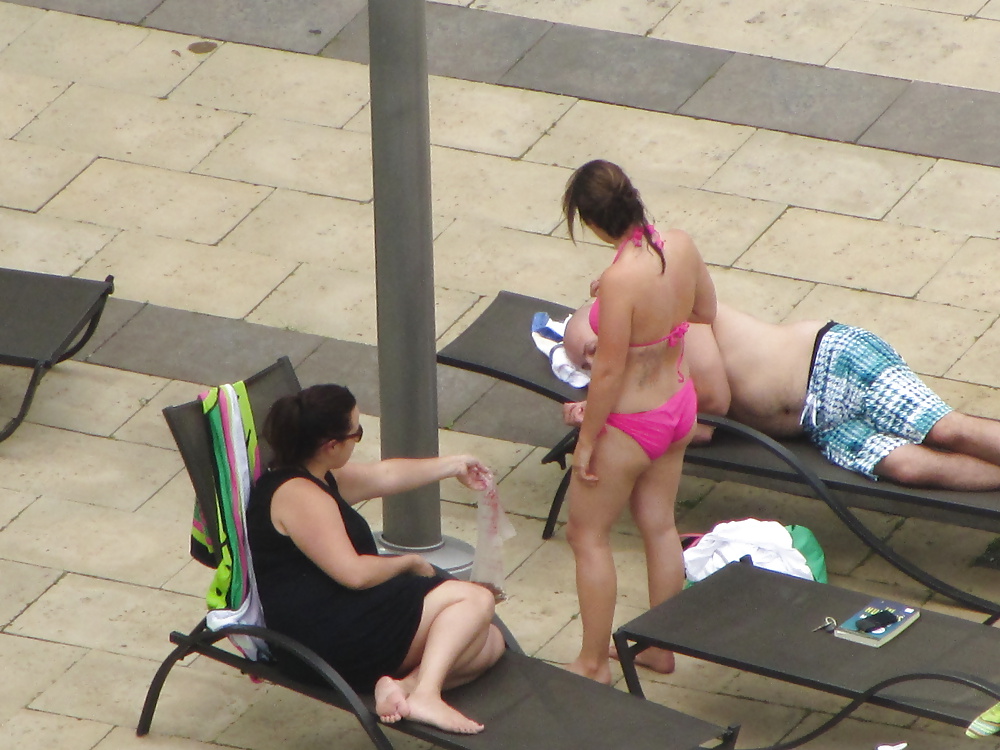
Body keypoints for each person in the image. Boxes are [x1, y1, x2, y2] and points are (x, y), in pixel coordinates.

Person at [246, 384, 505, 734]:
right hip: (324, 637)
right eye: (357, 433)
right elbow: (353, 573)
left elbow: (386, 475)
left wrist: (455, 465)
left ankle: (404, 688)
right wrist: (407, 562)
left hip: (345, 609)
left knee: (489, 642)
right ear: (331, 445)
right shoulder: (298, 496)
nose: (358, 440)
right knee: (475, 599)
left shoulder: (316, 474)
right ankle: (427, 695)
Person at [564, 301, 1000, 491]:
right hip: (817, 424)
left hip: (832, 361)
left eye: (593, 348)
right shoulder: (647, 382)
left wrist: (615, 416)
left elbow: (712, 408)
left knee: (945, 430)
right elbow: (692, 435)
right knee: (905, 466)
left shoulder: (677, 318)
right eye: (585, 367)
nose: (595, 367)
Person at [559, 159, 717, 683]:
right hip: (677, 403)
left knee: (588, 535)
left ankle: (590, 663)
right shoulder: (680, 245)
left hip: (630, 421)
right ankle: (660, 648)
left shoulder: (619, 278)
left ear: (592, 222)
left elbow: (604, 377)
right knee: (660, 525)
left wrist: (585, 441)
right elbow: (704, 313)